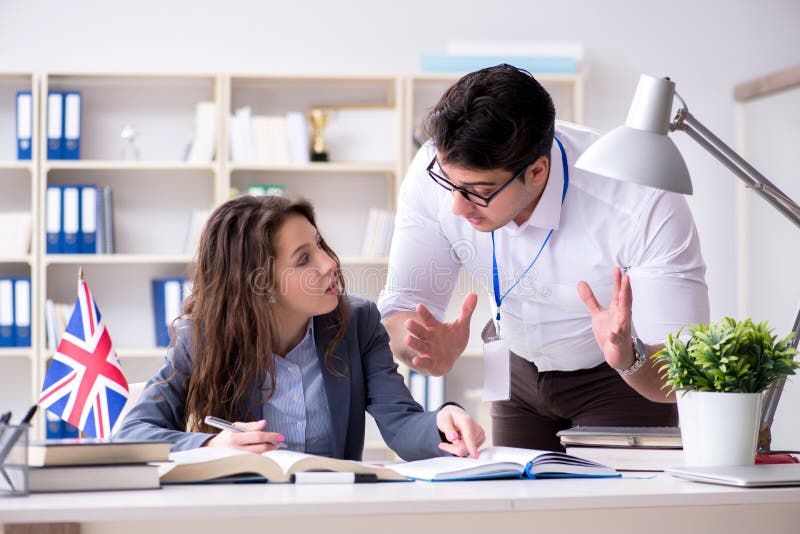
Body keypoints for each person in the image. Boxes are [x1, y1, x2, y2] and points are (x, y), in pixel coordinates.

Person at [379, 64, 709, 451]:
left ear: (536, 172)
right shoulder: (436, 169)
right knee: (518, 506)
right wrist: (420, 349)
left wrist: (628, 357)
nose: (455, 206)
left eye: (477, 190)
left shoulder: (639, 199)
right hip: (515, 371)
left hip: (619, 380)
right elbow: (401, 309)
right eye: (449, 184)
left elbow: (688, 370)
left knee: (614, 509)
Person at [117, 195, 485, 460]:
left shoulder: (358, 323)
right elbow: (133, 433)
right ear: (258, 283)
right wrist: (212, 446)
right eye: (304, 258)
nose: (328, 263)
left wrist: (442, 424)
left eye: (320, 244)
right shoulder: (203, 337)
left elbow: (401, 424)